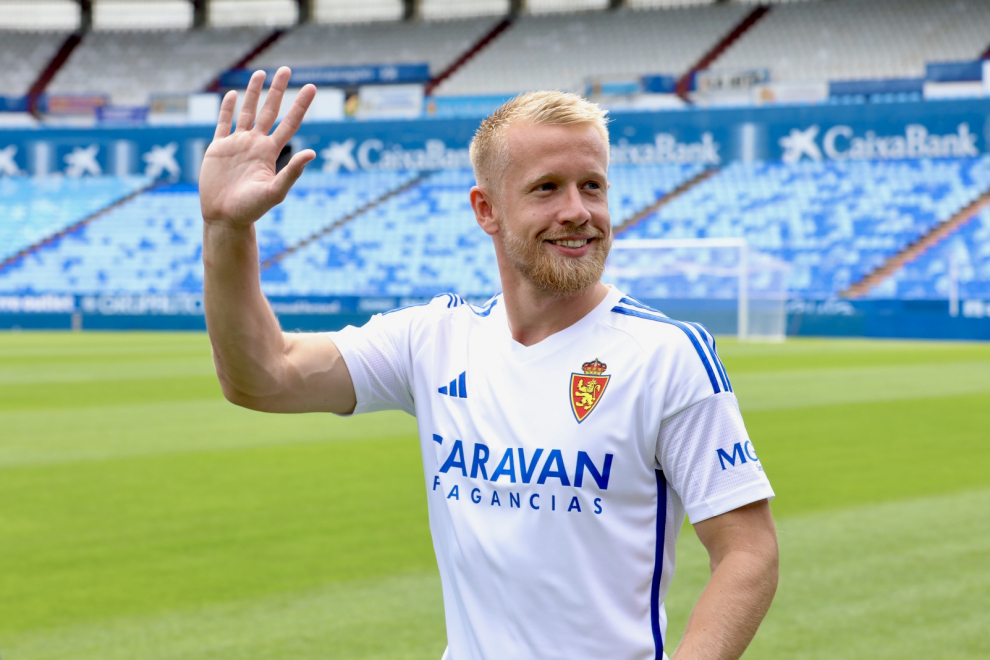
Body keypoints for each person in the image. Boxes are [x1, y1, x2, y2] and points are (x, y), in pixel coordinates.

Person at [200, 66, 779, 660]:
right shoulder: (434, 339)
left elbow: (747, 551)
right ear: (486, 209)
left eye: (593, 186)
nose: (578, 211)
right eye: (546, 188)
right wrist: (225, 228)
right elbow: (263, 376)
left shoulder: (666, 355)